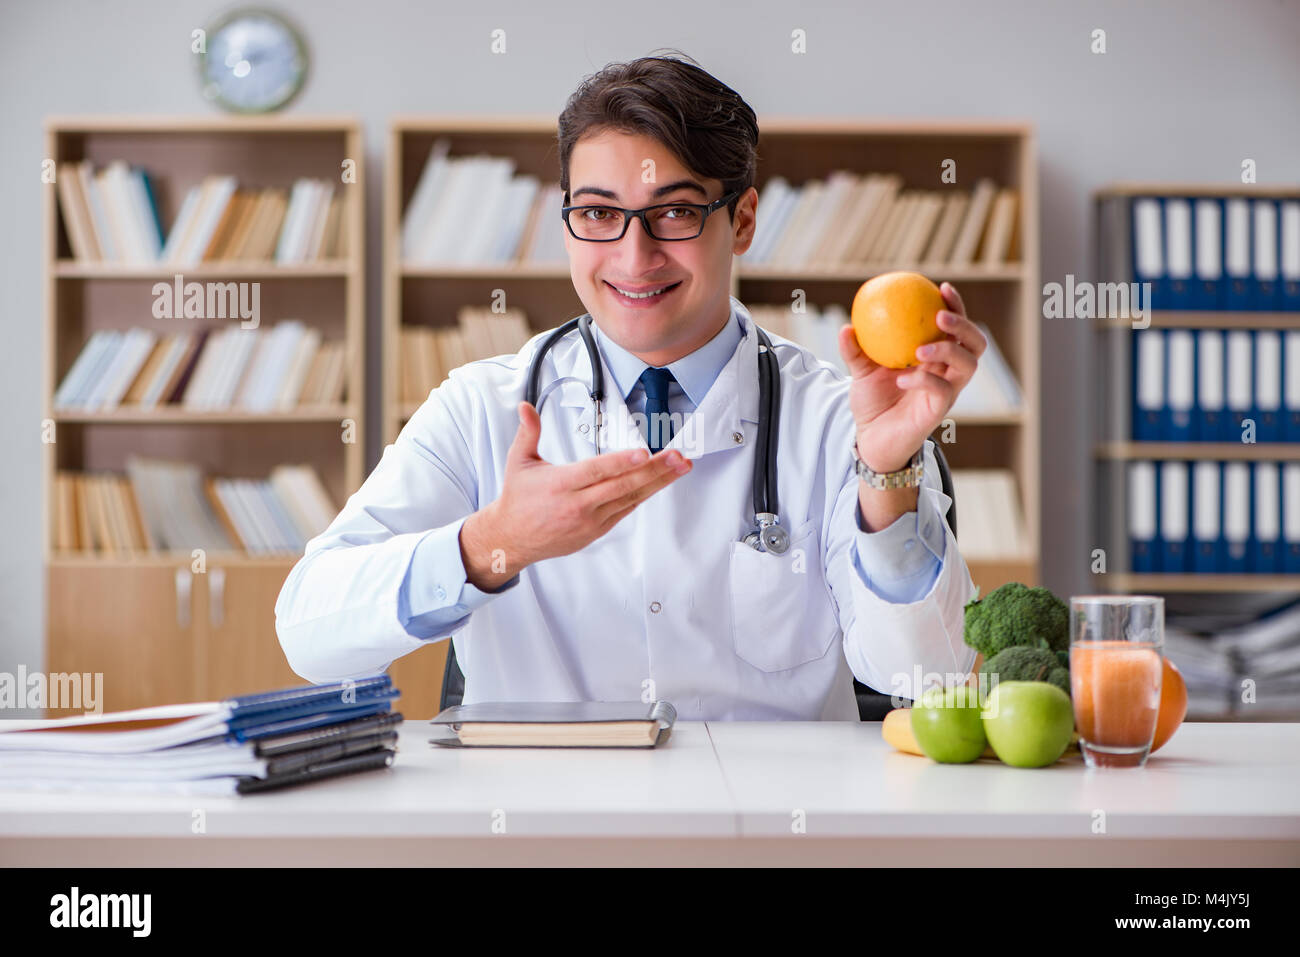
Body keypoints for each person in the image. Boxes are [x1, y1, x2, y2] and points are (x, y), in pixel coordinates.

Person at [275, 52, 989, 720]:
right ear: (566, 222)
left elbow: (929, 675)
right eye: (598, 213)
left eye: (675, 211)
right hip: (543, 829)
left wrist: (887, 470)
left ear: (741, 221)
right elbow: (309, 630)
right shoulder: (478, 408)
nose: (632, 254)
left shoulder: (833, 417)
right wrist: (490, 543)